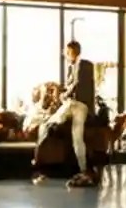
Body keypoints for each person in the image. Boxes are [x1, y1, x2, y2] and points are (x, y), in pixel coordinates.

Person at [38, 40, 95, 187]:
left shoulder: (83, 64)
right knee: (77, 138)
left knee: (54, 119)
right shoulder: (72, 67)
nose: (66, 55)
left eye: (67, 52)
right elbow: (71, 84)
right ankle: (83, 169)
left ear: (72, 51)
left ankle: (49, 127)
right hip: (75, 105)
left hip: (78, 104)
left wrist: (65, 95)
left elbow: (77, 84)